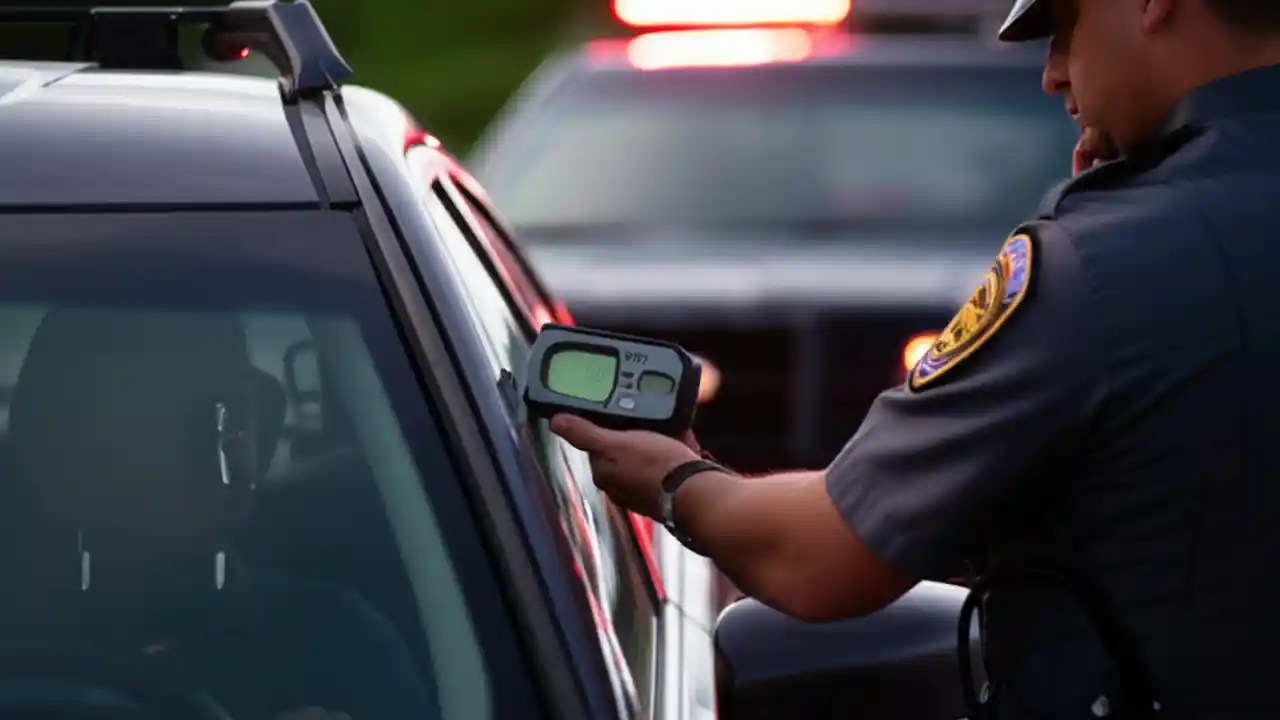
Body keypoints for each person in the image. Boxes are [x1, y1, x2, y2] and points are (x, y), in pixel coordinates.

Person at [551, 0, 1280, 716]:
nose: (1053, 75)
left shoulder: (1106, 262)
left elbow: (817, 559)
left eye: (1066, 25)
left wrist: (678, 483)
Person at [0, 308, 432, 720]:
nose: (229, 453)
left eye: (233, 418)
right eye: (163, 415)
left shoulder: (333, 646)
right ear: (69, 451)